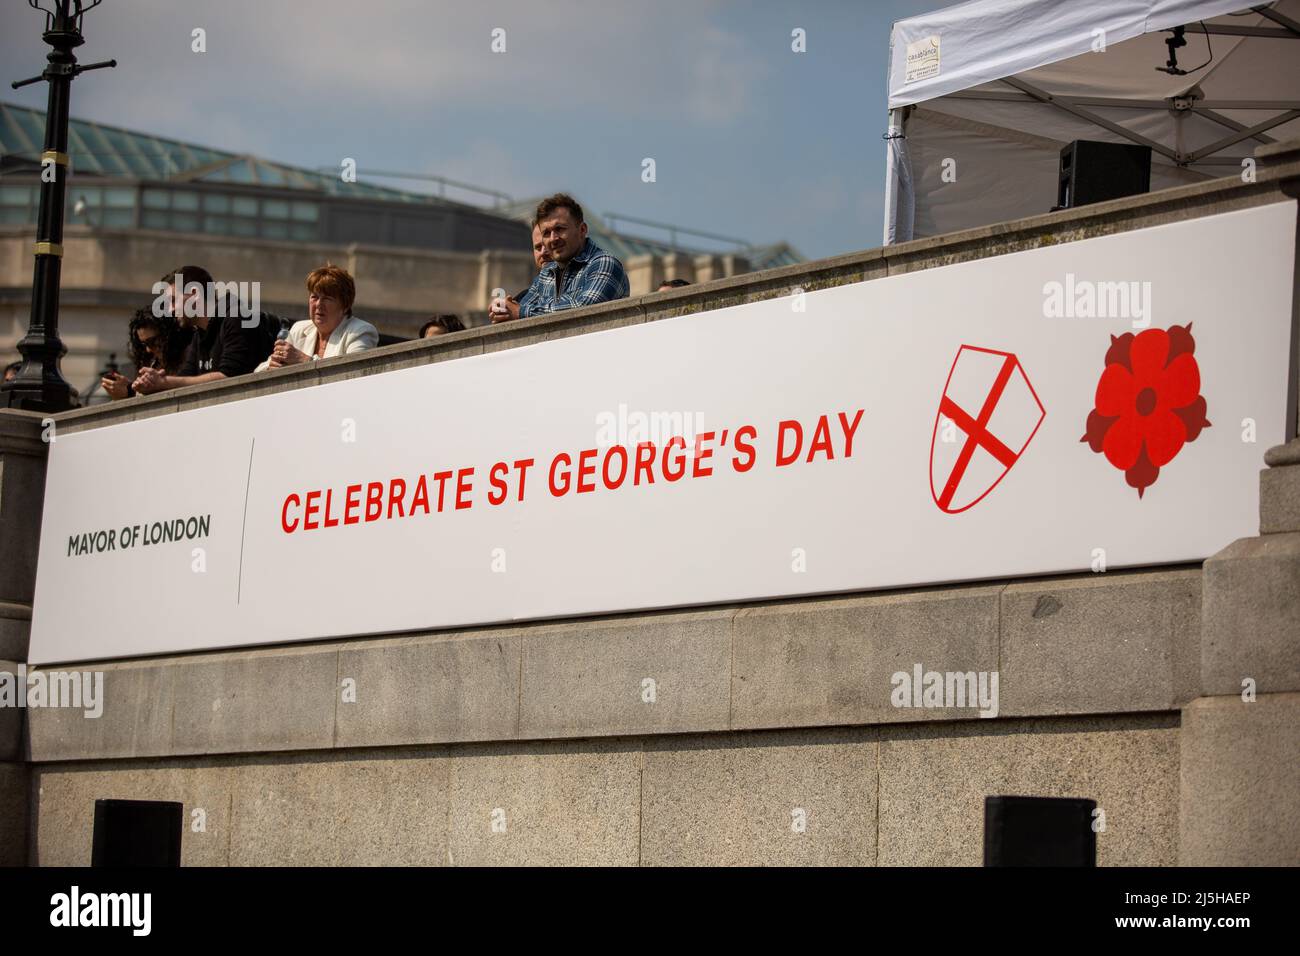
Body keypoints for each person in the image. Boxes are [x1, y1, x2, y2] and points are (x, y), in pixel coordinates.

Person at [133, 265, 277, 394]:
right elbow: (185, 378)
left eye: (173, 300)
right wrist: (150, 384)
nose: (170, 310)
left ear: (194, 294)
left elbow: (230, 378)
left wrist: (164, 382)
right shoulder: (199, 334)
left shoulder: (237, 318)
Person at [491, 194, 628, 321]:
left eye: (560, 229)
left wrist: (520, 312)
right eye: (546, 233)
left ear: (582, 230)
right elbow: (518, 309)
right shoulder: (546, 273)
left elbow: (585, 309)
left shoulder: (604, 263)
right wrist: (503, 310)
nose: (553, 239)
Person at [257, 264, 377, 370]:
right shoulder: (299, 329)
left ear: (345, 305)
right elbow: (258, 371)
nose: (319, 304)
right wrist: (271, 368)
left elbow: (353, 374)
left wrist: (304, 361)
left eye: (327, 298)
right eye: (314, 297)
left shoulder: (361, 332)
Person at [101, 310, 190, 400]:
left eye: (152, 341)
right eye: (144, 344)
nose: (148, 349)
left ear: (168, 335)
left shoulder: (189, 355)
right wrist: (130, 390)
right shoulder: (153, 363)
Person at [493, 224, 553, 325]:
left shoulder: (577, 283)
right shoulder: (523, 297)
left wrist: (519, 312)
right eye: (538, 247)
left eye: (548, 245)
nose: (543, 252)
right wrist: (503, 313)